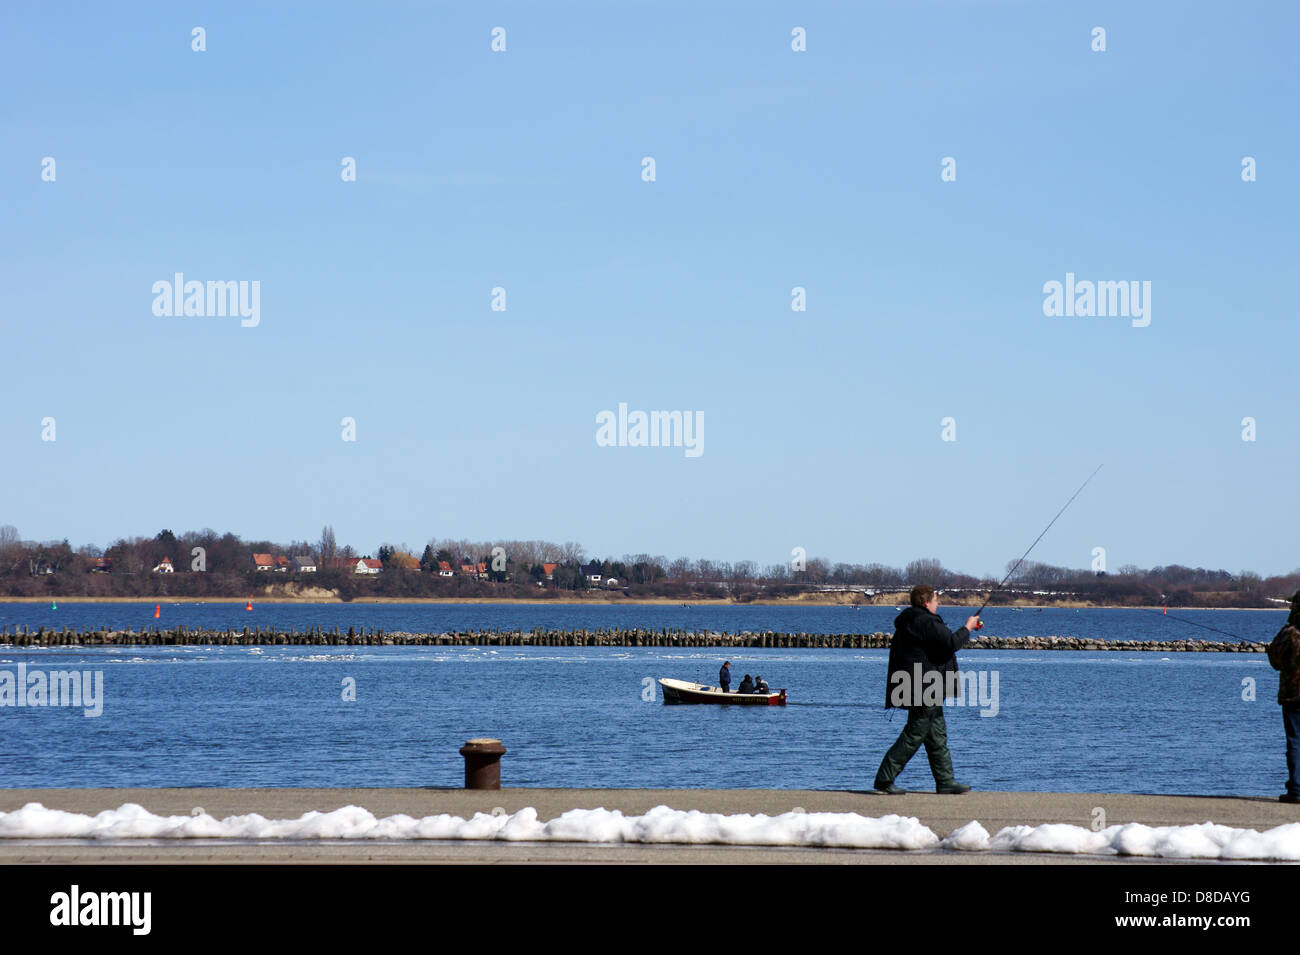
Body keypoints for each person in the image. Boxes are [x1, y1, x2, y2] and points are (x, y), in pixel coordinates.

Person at [873, 584, 980, 795]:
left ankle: (945, 781)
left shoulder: (912, 621)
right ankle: (885, 778)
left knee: (937, 734)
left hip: (919, 685)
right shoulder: (925, 621)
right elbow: (951, 643)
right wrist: (968, 627)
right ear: (926, 602)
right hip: (924, 687)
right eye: (935, 599)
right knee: (915, 732)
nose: (938, 603)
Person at [1266, 591, 1300, 804]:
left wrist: (1270, 651)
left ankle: (1297, 790)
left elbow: (1276, 661)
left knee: (1296, 742)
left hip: (1294, 696)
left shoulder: (1290, 633)